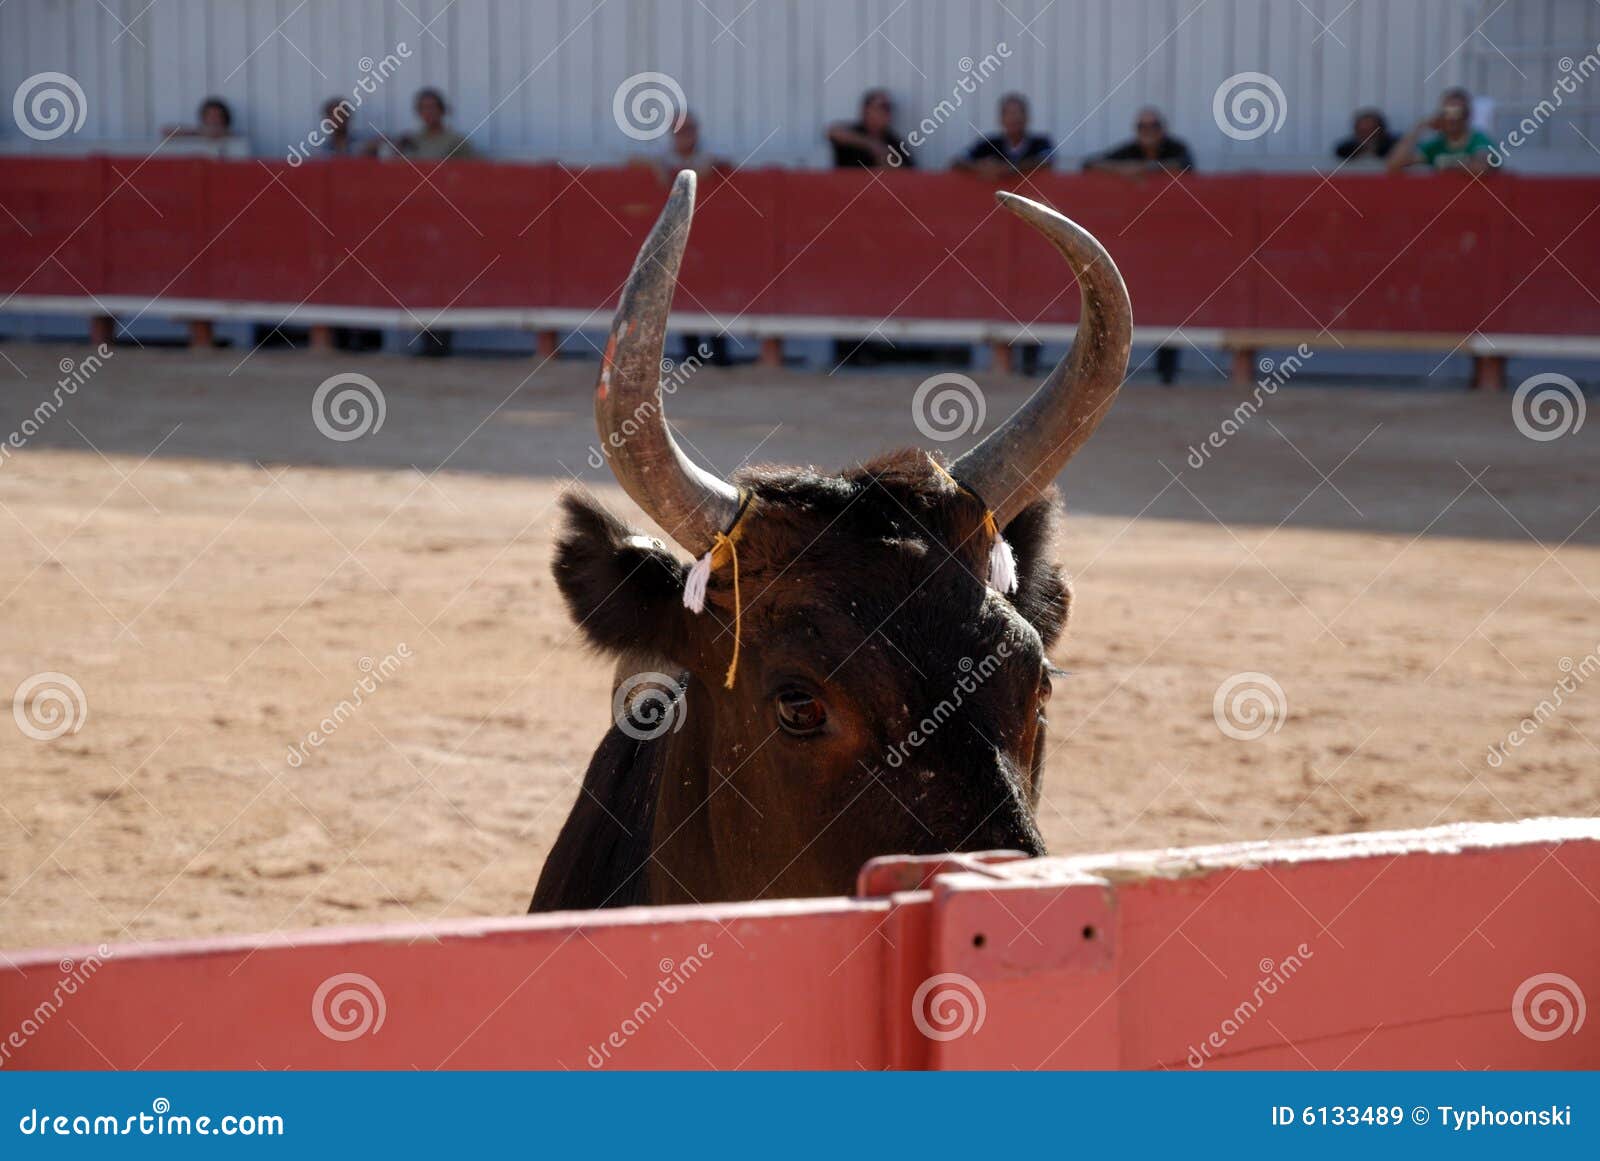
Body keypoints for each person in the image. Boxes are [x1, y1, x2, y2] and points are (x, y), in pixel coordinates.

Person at [1387, 89, 1492, 174]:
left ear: (1467, 115)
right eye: (1447, 112)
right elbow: (1394, 165)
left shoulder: (1478, 140)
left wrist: (1448, 165)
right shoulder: (1435, 145)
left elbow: (1480, 168)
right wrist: (1420, 128)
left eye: (1457, 112)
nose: (1451, 118)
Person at [954, 93, 1052, 178]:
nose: (1014, 118)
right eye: (1009, 114)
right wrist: (980, 167)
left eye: (1018, 113)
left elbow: (1047, 161)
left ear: (1026, 117)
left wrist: (1010, 168)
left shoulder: (1040, 142)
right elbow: (958, 160)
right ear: (1001, 119)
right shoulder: (988, 143)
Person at [1083, 107, 1194, 174]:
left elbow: (1186, 164)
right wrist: (1121, 169)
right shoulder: (1130, 149)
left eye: (1154, 125)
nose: (1148, 131)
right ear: (1137, 130)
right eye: (1142, 127)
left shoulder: (1175, 147)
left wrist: (1146, 168)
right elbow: (1088, 163)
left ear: (1162, 129)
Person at [827, 89, 913, 168]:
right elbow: (832, 132)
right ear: (866, 110)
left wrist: (884, 155)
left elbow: (907, 173)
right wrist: (871, 144)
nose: (886, 112)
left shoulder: (894, 141)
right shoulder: (854, 131)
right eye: (882, 107)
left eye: (888, 108)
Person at [393, 87, 477, 161]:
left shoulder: (456, 141)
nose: (428, 112)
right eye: (423, 108)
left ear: (441, 110)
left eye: (431, 107)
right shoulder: (411, 140)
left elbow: (473, 166)